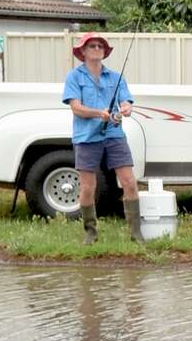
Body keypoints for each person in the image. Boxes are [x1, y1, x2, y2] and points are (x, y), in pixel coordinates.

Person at [61, 32, 142, 244]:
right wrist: (99, 113)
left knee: (130, 182)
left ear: (105, 52)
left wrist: (126, 108)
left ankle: (136, 233)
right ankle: (90, 233)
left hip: (114, 134)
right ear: (83, 52)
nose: (97, 49)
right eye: (92, 46)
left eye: (100, 46)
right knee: (88, 186)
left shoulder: (117, 78)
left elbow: (127, 102)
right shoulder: (74, 77)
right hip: (86, 137)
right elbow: (76, 108)